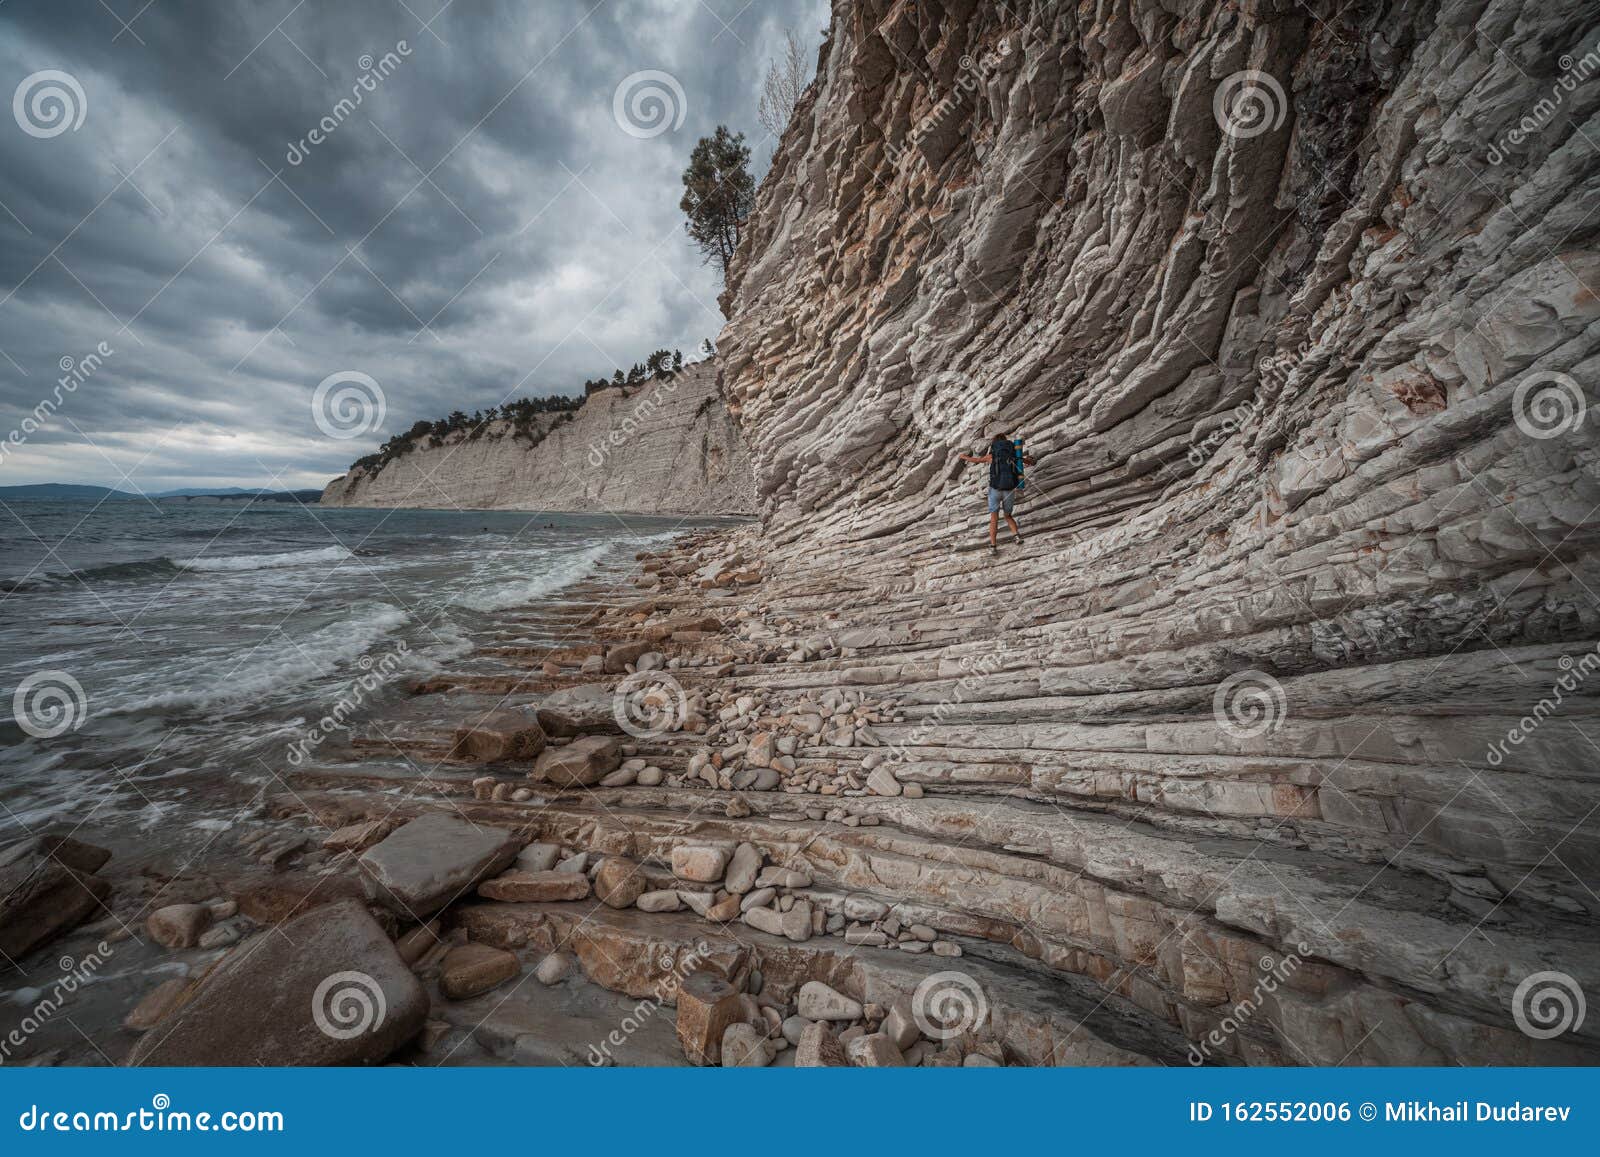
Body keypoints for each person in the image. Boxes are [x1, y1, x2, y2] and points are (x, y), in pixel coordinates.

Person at [958, 430, 1035, 555]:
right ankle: (1017, 536)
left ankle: (993, 546)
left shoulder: (991, 456)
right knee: (1008, 516)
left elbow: (976, 460)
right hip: (1009, 490)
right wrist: (1030, 460)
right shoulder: (1013, 456)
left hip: (995, 490)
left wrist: (963, 457)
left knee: (994, 519)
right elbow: (1028, 462)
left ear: (995, 444)